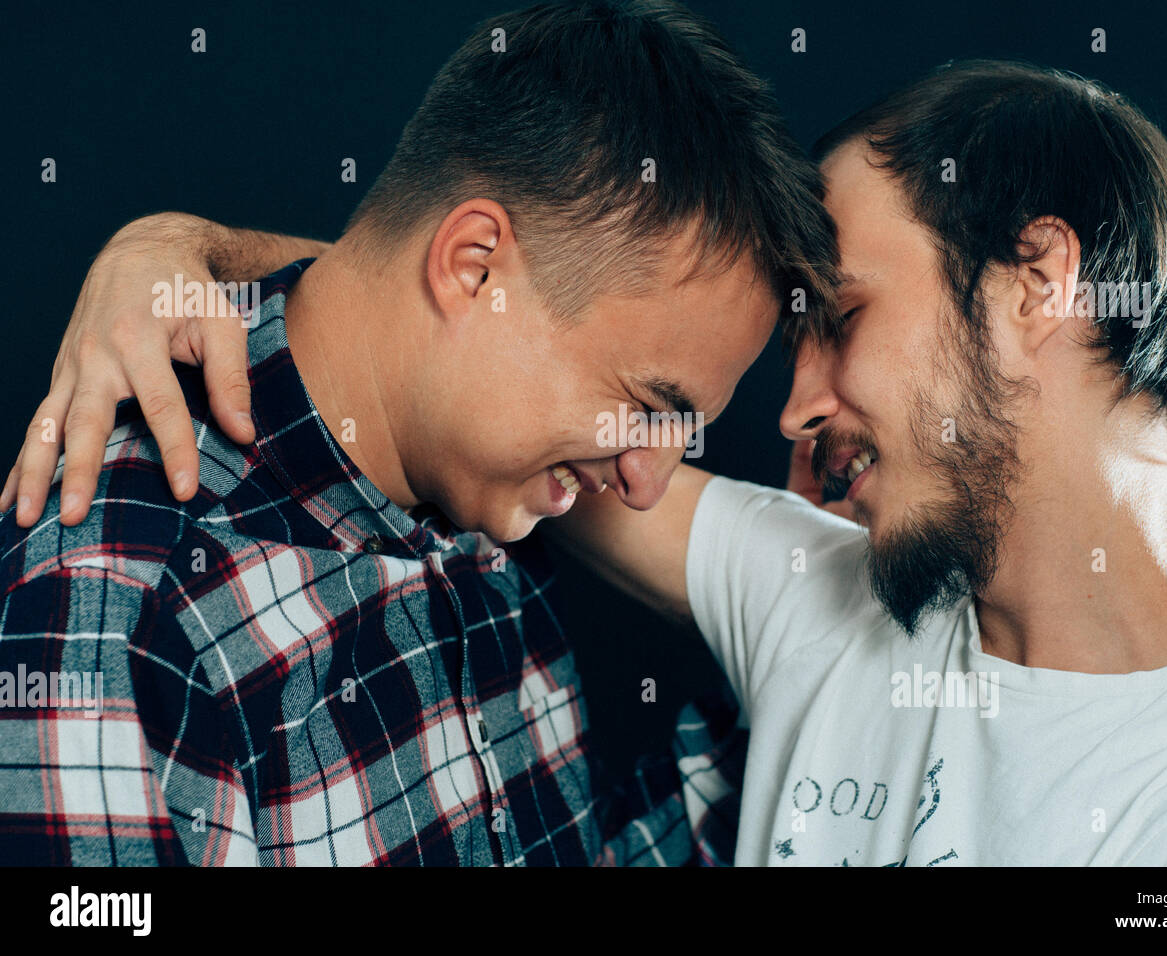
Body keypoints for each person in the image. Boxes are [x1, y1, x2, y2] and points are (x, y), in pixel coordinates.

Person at [11, 61, 1167, 865]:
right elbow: (415, 347)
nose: (793, 412)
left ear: (1039, 284)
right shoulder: (820, 598)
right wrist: (180, 249)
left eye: (841, 320)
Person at [0, 0, 837, 866]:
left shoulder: (487, 491)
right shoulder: (116, 611)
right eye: (651, 405)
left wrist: (816, 680)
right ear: (474, 268)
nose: (647, 485)